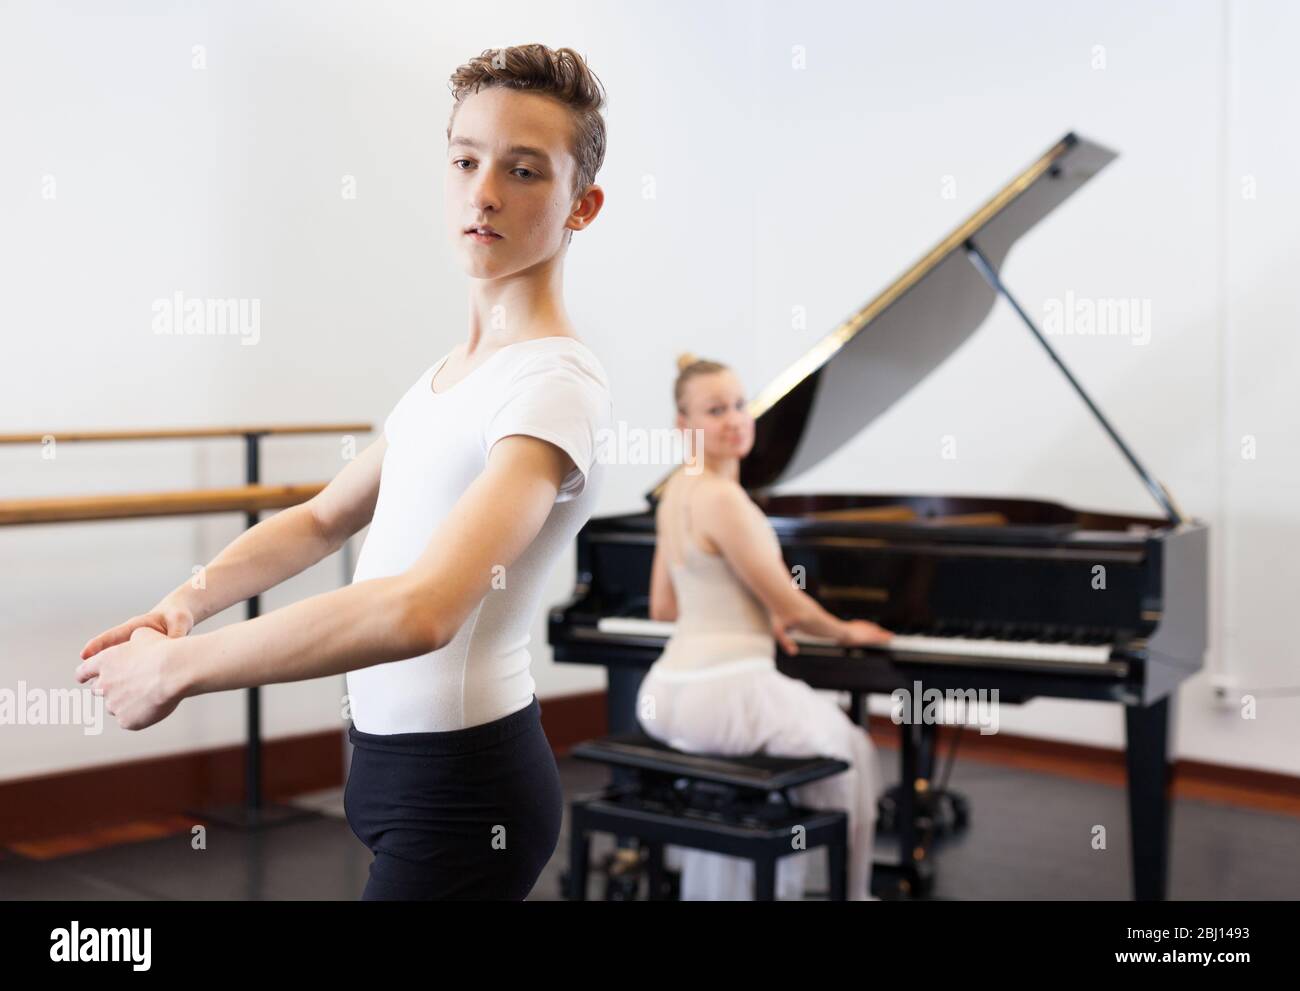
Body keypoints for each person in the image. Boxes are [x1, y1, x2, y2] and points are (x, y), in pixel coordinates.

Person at [76, 44, 613, 901]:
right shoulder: (451, 375)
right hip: (391, 769)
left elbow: (424, 607)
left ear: (581, 205)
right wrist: (186, 603)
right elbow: (323, 519)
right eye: (466, 161)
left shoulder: (554, 388)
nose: (484, 191)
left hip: (465, 792)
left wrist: (184, 667)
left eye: (523, 170)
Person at [635, 354, 892, 901]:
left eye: (739, 404)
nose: (734, 420)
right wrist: (849, 633)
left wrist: (750, 612)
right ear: (684, 426)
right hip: (727, 694)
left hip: (664, 694)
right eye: (714, 410)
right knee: (855, 753)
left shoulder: (676, 491)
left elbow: (664, 606)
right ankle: (853, 892)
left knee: (800, 758)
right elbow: (796, 609)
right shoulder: (726, 498)